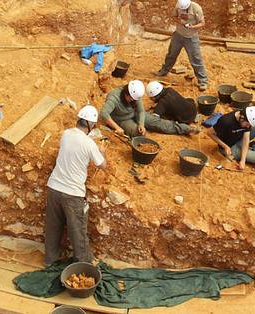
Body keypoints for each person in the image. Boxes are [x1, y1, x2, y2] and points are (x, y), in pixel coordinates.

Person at [44, 106, 106, 268]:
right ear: (91, 126)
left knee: (53, 226)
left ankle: (50, 259)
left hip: (54, 188)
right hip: (73, 194)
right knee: (77, 230)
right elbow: (102, 165)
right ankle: (83, 265)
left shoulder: (66, 134)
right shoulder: (89, 144)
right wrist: (102, 151)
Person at [100, 80, 196, 138]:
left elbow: (140, 110)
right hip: (122, 119)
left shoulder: (135, 96)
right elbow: (104, 113)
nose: (131, 101)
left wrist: (141, 123)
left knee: (158, 123)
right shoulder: (114, 97)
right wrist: (117, 127)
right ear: (126, 93)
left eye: (134, 100)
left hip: (135, 113)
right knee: (140, 133)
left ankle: (185, 129)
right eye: (130, 98)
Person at [155, 0, 209, 91]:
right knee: (171, 54)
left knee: (196, 59)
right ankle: (164, 70)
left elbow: (202, 23)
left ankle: (203, 80)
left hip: (191, 38)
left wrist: (192, 27)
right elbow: (173, 17)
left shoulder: (196, 8)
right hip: (178, 35)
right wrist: (179, 21)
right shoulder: (178, 6)